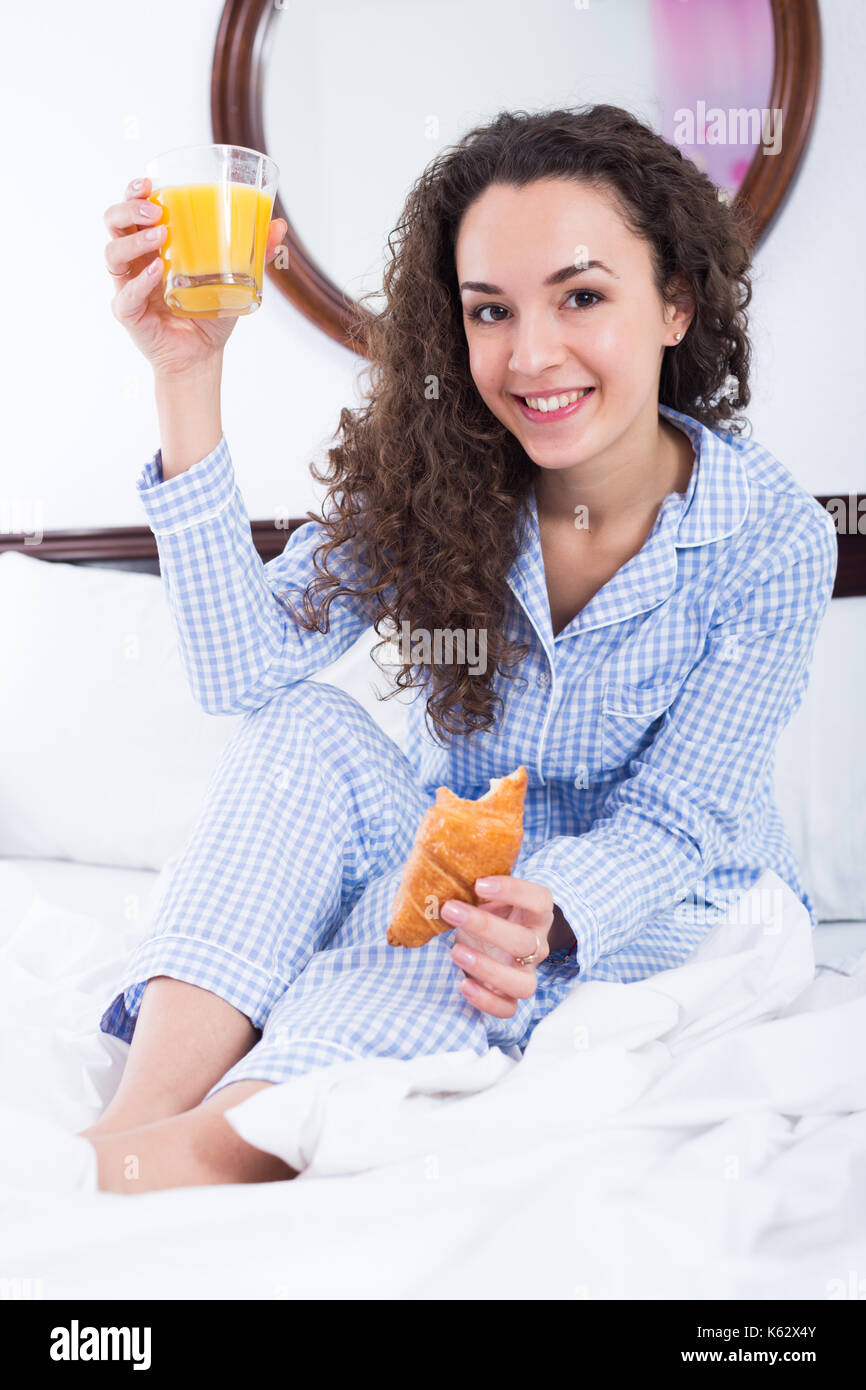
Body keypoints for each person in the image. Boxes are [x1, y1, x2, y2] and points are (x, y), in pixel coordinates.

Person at [83, 105, 837, 1194]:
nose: (531, 356)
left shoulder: (775, 538)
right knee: (304, 727)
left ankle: (187, 1158)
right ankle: (134, 1122)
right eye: (491, 310)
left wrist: (550, 910)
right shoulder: (436, 479)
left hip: (664, 899)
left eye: (580, 296)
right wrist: (185, 376)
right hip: (459, 863)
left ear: (673, 302)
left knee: (448, 939)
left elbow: (677, 821)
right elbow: (244, 672)